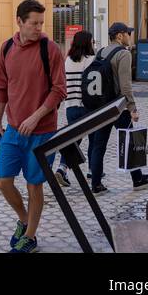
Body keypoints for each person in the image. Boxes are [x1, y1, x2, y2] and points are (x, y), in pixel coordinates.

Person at [0, 0, 66, 254]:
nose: (39, 28)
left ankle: (31, 236)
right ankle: (24, 220)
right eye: (34, 23)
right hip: (13, 130)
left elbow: (59, 90)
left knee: (34, 185)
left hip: (43, 131)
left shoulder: (51, 49)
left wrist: (36, 116)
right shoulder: (6, 49)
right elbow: (2, 88)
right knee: (3, 181)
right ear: (20, 22)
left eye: (41, 23)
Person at [87, 22, 148, 192]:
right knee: (130, 141)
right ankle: (138, 179)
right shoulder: (123, 54)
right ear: (119, 35)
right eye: (128, 33)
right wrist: (132, 108)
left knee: (98, 145)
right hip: (118, 106)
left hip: (102, 106)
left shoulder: (101, 51)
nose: (129, 37)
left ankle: (96, 183)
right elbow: (125, 85)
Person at [55, 30, 96, 188]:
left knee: (74, 139)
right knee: (94, 138)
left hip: (71, 107)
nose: (93, 44)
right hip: (87, 107)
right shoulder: (91, 60)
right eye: (92, 42)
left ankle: (62, 168)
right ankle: (93, 170)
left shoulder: (67, 61)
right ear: (87, 43)